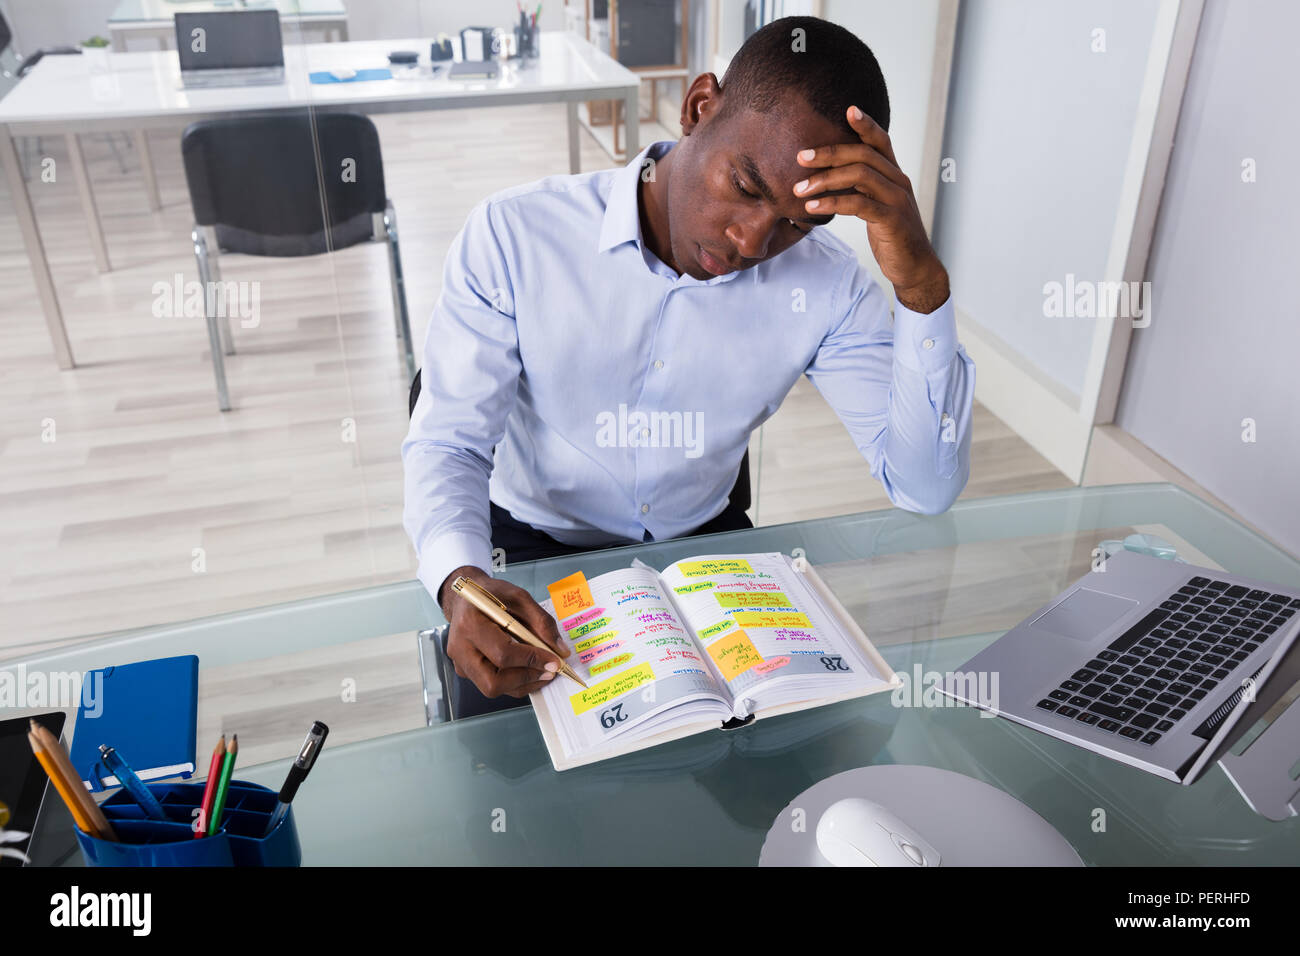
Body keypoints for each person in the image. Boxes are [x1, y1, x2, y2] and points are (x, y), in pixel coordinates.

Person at [403, 15, 975, 710]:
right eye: (746, 185)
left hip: (705, 547)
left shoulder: (831, 287)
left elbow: (925, 487)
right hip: (527, 548)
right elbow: (449, 442)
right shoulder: (516, 236)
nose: (752, 240)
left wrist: (920, 283)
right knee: (515, 780)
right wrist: (459, 580)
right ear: (700, 106)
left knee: (778, 774)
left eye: (801, 222)